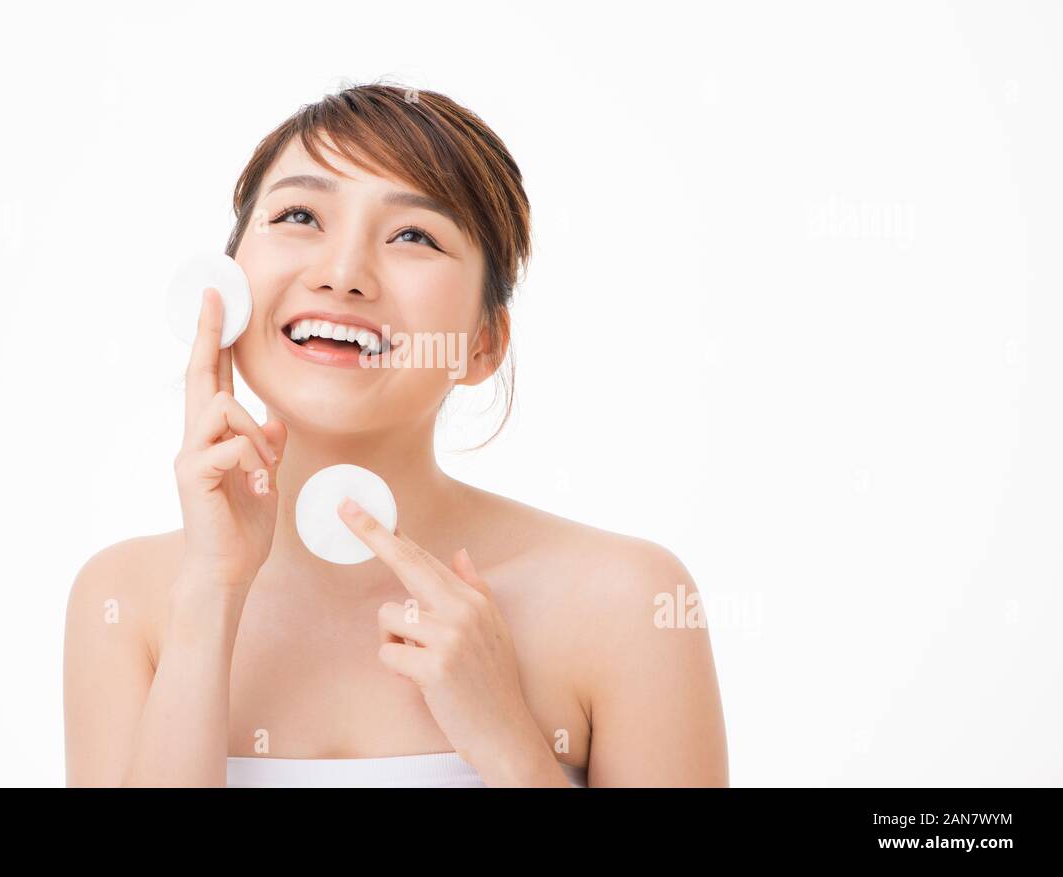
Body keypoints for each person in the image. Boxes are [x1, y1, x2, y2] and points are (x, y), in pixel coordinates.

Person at [63, 83, 728, 787]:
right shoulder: (125, 601)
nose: (343, 274)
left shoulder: (628, 602)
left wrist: (509, 743)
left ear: (483, 342)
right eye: (298, 215)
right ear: (228, 289)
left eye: (414, 235)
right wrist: (208, 594)